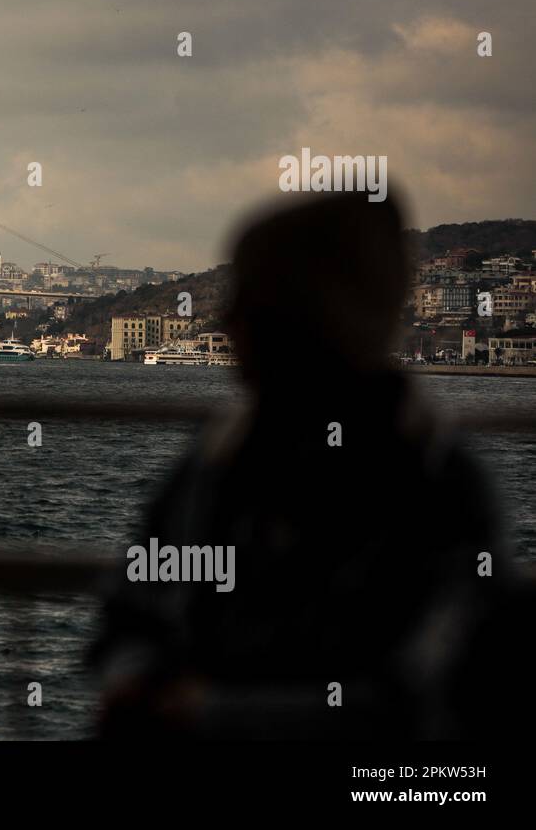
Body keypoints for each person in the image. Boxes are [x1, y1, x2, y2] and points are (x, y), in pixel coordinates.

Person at [90, 186, 518, 738]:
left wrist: (203, 713)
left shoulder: (437, 487)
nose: (228, 322)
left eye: (254, 302)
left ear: (322, 318)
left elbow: (418, 698)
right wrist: (139, 679)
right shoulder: (214, 461)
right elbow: (130, 615)